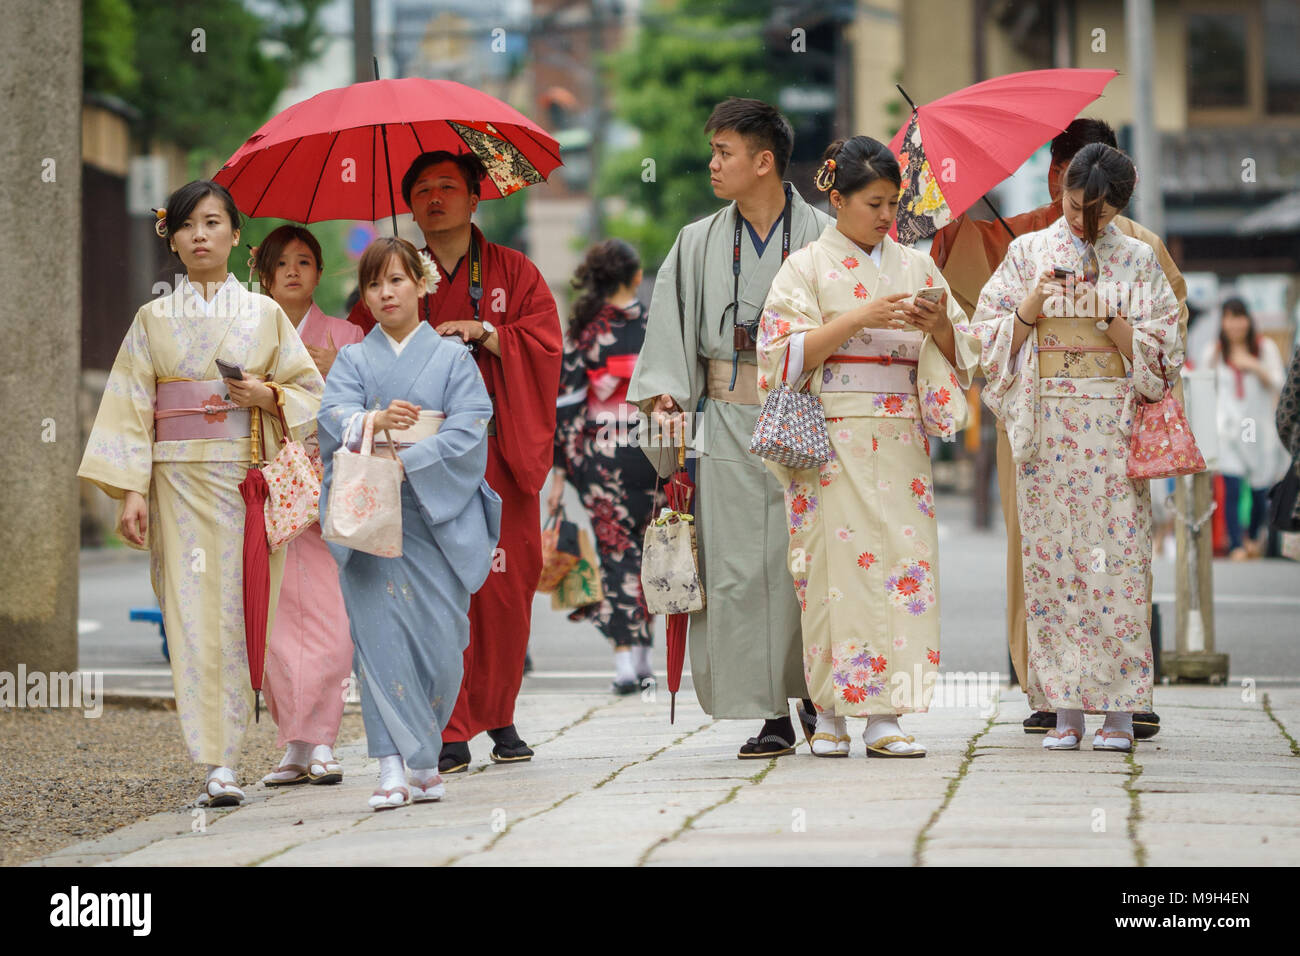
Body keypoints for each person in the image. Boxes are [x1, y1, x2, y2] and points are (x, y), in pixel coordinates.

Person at [931, 118, 1185, 740]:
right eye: (1074, 207)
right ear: (1060, 189)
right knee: (1052, 568)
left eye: (1099, 213)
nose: (1084, 223)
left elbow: (1164, 356)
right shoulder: (1028, 253)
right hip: (1047, 430)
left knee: (1119, 566)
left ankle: (1121, 710)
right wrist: (1029, 307)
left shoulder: (1139, 259)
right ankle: (1064, 708)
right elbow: (985, 344)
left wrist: (1112, 320)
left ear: (1122, 205)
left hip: (1113, 431)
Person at [78, 181, 324, 806]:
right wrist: (129, 490)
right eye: (187, 226)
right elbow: (131, 406)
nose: (200, 235)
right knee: (191, 616)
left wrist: (268, 396)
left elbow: (313, 392)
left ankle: (234, 749)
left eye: (214, 223)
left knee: (242, 613)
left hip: (245, 483)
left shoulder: (265, 314)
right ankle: (214, 761)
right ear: (174, 238)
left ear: (236, 235)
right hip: (176, 480)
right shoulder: (151, 319)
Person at [627, 97, 832, 757]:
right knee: (739, 571)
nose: (713, 165)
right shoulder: (696, 241)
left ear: (764, 161)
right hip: (724, 424)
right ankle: (770, 710)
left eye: (725, 153)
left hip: (808, 420)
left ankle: (816, 692)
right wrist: (665, 402)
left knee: (807, 565)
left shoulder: (826, 238)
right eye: (713, 152)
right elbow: (668, 338)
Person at [348, 152, 562, 774]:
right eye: (421, 189)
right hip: (417, 460)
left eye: (448, 187)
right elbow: (363, 356)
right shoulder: (393, 273)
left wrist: (486, 331)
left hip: (496, 448)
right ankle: (448, 723)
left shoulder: (514, 272)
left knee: (502, 586)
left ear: (475, 199)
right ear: (410, 205)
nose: (434, 198)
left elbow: (546, 345)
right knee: (429, 591)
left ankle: (499, 713)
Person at [758, 137, 972, 756]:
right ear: (837, 199)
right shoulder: (805, 267)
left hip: (900, 434)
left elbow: (968, 353)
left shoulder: (916, 266)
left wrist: (938, 328)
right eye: (873, 203)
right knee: (830, 571)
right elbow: (780, 354)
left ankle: (887, 717)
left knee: (905, 567)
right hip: (831, 436)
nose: (886, 216)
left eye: (892, 203)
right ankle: (829, 715)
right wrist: (861, 317)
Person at [320, 237, 502, 810]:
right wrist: (374, 421)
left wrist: (410, 459)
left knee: (444, 645)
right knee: (379, 643)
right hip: (373, 518)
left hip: (436, 516)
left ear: (421, 285)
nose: (384, 293)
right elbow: (332, 418)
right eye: (373, 284)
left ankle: (424, 759)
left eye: (397, 280)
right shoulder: (352, 359)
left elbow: (472, 425)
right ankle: (392, 766)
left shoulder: (452, 358)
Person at [250, 225, 365, 787]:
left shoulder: (346, 335)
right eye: (281, 262)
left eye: (304, 261)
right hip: (269, 490)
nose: (293, 271)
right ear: (263, 274)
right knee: (273, 620)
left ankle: (321, 740)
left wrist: (336, 368)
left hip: (329, 489)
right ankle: (293, 745)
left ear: (320, 273)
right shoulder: (245, 333)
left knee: (331, 620)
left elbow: (368, 408)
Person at [548, 239, 661, 694]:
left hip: (603, 461)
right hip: (654, 456)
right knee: (655, 554)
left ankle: (622, 664)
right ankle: (646, 656)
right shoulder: (658, 327)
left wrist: (562, 471)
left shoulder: (585, 332)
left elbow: (568, 405)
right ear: (636, 278)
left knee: (617, 556)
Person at [1202, 297, 1290, 559]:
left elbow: (1280, 384)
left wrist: (1254, 366)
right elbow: (1206, 390)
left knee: (1259, 488)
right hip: (1228, 429)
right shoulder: (1215, 352)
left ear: (1248, 320)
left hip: (1256, 430)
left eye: (1239, 316)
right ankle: (1236, 545)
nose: (1235, 324)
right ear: (1223, 322)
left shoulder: (1265, 349)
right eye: (1229, 317)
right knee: (1231, 486)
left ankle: (1253, 536)